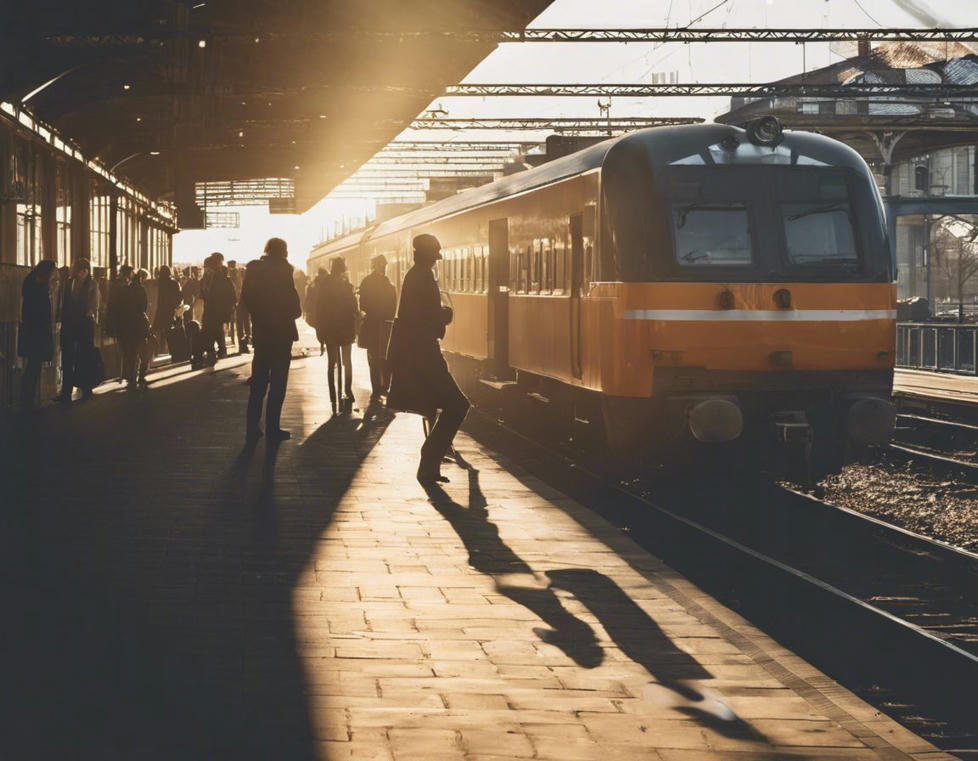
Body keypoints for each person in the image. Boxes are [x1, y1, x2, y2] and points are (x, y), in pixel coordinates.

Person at [387, 234, 469, 484]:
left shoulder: (415, 275)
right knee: (458, 405)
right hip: (424, 352)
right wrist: (445, 314)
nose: (436, 260)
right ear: (427, 255)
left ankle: (429, 465)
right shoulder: (422, 278)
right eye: (435, 255)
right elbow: (424, 316)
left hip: (420, 351)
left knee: (442, 405)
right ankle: (430, 456)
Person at [242, 237, 301, 443]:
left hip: (262, 334)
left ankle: (252, 427)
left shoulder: (254, 269)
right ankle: (272, 428)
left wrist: (259, 318)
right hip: (282, 335)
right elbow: (295, 306)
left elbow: (246, 299)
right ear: (284, 252)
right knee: (278, 383)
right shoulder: (285, 271)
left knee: (258, 382)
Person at [315, 257, 358, 413]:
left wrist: (320, 332)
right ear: (343, 268)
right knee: (347, 362)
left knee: (331, 363)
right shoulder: (347, 286)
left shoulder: (324, 285)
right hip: (345, 329)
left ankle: (333, 396)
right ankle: (347, 390)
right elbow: (353, 308)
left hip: (330, 330)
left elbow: (319, 309)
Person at [58, 258, 100, 402]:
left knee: (84, 356)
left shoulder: (92, 284)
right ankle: (66, 392)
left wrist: (88, 314)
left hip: (84, 324)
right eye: (80, 270)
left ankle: (85, 388)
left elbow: (94, 304)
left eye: (84, 271)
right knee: (68, 358)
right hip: (71, 324)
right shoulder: (69, 282)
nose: (82, 273)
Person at [17, 260, 58, 411]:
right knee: (33, 365)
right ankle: (27, 399)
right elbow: (39, 309)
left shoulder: (32, 281)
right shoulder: (36, 284)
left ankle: (27, 398)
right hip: (36, 331)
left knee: (33, 365)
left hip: (33, 330)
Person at [358, 254, 397, 401]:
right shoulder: (388, 283)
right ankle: (385, 386)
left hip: (372, 324)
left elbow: (363, 304)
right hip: (385, 325)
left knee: (373, 357)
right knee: (385, 356)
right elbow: (393, 305)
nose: (385, 268)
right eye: (383, 265)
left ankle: (376, 388)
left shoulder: (366, 282)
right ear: (379, 266)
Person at [201, 254, 235, 365]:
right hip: (211, 310)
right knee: (213, 331)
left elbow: (231, 297)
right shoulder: (206, 279)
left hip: (217, 311)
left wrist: (227, 310)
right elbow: (203, 295)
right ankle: (219, 351)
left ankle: (214, 353)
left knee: (211, 331)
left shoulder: (222, 279)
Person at [152, 265, 183, 353]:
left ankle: (156, 350)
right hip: (169, 310)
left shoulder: (156, 283)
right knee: (168, 329)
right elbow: (179, 297)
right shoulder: (174, 283)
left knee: (157, 329)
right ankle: (166, 349)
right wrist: (175, 306)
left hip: (157, 309)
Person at [228, 260, 251, 353]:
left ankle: (241, 344)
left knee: (238, 323)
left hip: (237, 302)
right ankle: (245, 341)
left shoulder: (231, 275)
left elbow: (235, 289)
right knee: (245, 322)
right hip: (243, 301)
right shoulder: (241, 274)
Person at [306, 268, 326, 355]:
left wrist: (307, 310)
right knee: (326, 328)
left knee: (319, 328)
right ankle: (324, 343)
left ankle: (322, 343)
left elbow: (308, 298)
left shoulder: (313, 284)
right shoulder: (327, 283)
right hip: (325, 310)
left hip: (315, 311)